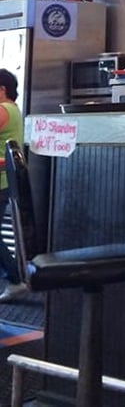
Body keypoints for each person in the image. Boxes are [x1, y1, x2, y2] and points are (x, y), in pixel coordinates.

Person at [0, 68, 27, 301]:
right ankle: (15, 277)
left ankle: (15, 278)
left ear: (2, 89)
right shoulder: (15, 110)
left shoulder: (3, 110)